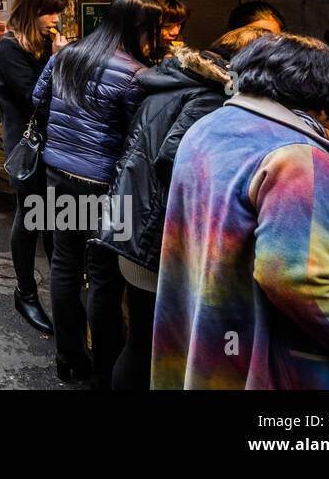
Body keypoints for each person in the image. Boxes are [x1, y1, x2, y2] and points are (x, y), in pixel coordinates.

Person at [152, 33, 329, 391]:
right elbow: (300, 282)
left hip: (212, 349)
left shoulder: (206, 129)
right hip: (275, 368)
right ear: (323, 104)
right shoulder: (298, 160)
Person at [89, 24, 269, 390]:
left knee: (142, 338)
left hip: (135, 220)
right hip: (155, 235)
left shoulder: (174, 83)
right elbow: (172, 159)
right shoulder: (208, 97)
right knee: (150, 344)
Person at [31, 0, 165, 387]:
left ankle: (68, 355)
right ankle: (105, 366)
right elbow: (136, 134)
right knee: (105, 275)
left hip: (57, 171)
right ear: (139, 28)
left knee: (64, 263)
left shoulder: (67, 54)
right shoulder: (135, 74)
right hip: (105, 185)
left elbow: (38, 99)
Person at [0, 0, 69, 335]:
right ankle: (25, 293)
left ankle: (63, 294)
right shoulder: (9, 47)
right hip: (27, 148)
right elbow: (33, 98)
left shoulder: (45, 44)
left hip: (56, 145)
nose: (55, 19)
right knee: (31, 216)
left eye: (58, 12)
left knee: (57, 219)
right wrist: (59, 59)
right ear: (31, 11)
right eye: (49, 12)